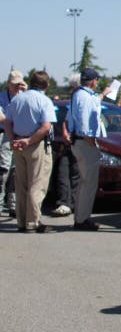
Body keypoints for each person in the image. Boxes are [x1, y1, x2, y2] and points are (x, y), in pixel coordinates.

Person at [5, 71, 57, 233]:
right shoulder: (44, 100)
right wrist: (29, 141)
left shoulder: (17, 99)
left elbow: (7, 122)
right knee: (37, 184)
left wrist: (13, 139)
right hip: (35, 144)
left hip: (18, 144)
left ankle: (22, 221)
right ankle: (33, 221)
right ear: (46, 85)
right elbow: (46, 126)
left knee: (21, 184)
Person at [65, 68, 112, 231]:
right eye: (97, 80)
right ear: (93, 81)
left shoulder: (81, 94)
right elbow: (85, 121)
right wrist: (90, 140)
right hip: (84, 142)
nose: (97, 82)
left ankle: (80, 217)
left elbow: (94, 102)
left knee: (85, 182)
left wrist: (103, 94)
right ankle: (82, 219)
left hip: (80, 141)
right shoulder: (84, 96)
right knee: (89, 183)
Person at [53, 73, 81, 217]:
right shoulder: (74, 99)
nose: (71, 90)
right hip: (67, 142)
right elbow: (66, 119)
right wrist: (64, 132)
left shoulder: (81, 98)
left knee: (75, 174)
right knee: (63, 172)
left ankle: (72, 204)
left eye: (72, 87)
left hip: (78, 140)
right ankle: (64, 203)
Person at [0, 70, 27, 217]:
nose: (18, 87)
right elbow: (2, 118)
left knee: (16, 171)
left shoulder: (24, 96)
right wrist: (11, 122)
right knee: (4, 169)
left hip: (19, 135)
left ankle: (13, 205)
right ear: (9, 84)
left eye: (20, 84)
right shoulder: (2, 97)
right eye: (15, 84)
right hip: (4, 135)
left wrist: (26, 92)